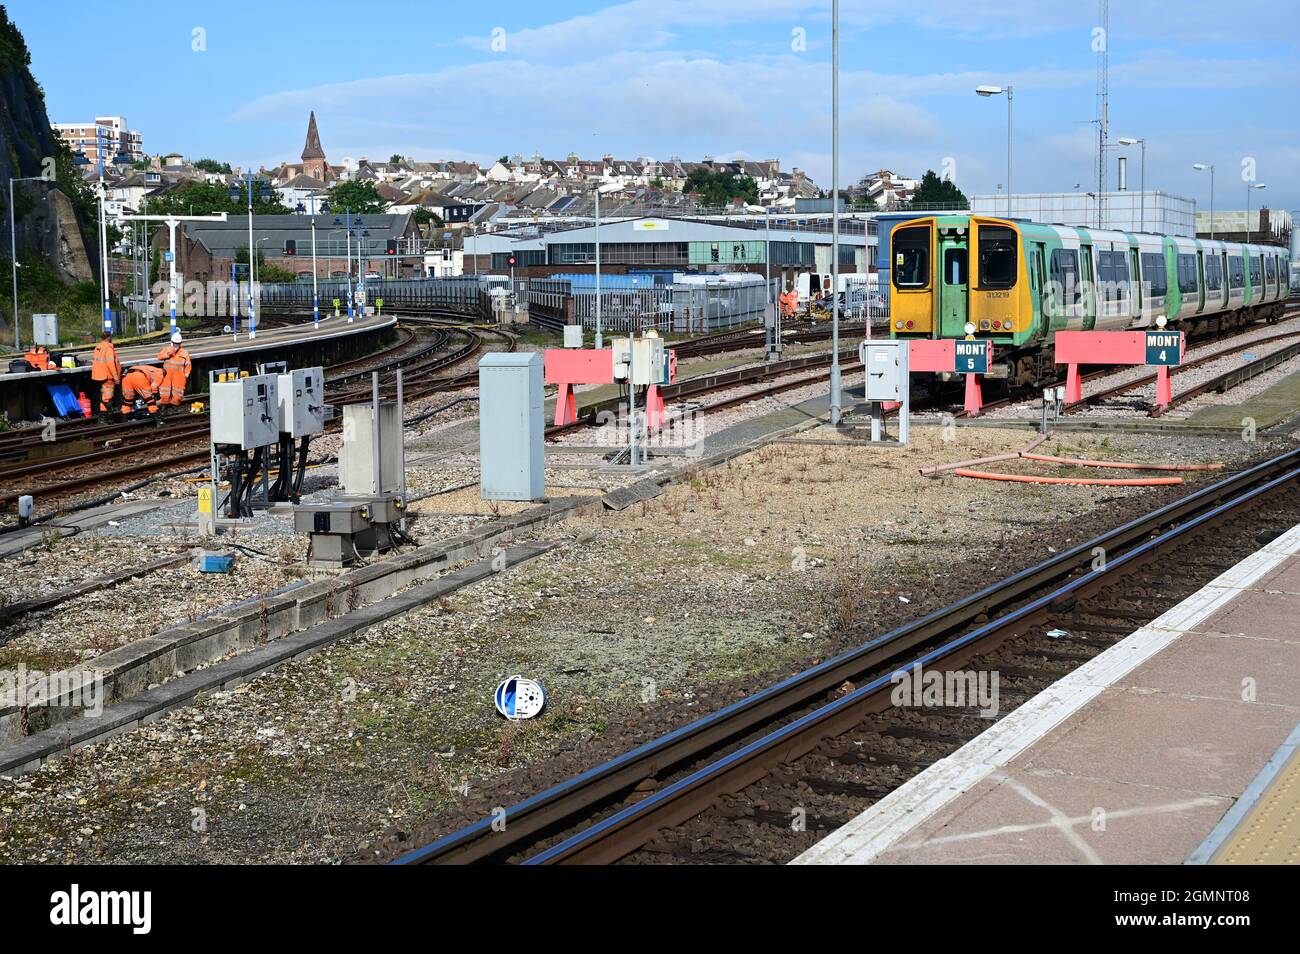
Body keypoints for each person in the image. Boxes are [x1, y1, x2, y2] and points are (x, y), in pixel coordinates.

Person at [156, 331, 192, 406]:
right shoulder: (167, 349)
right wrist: (168, 354)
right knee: (165, 387)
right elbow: (159, 357)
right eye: (175, 343)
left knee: (178, 388)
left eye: (177, 343)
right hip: (167, 373)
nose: (176, 345)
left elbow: (188, 365)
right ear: (172, 342)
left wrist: (185, 375)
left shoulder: (184, 353)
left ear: (180, 343)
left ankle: (176, 401)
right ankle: (164, 400)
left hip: (179, 374)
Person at [90, 331, 122, 413]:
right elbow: (110, 363)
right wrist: (116, 378)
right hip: (108, 376)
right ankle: (105, 418)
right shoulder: (108, 348)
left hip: (98, 375)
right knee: (108, 398)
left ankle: (104, 416)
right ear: (109, 337)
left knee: (104, 397)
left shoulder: (98, 347)